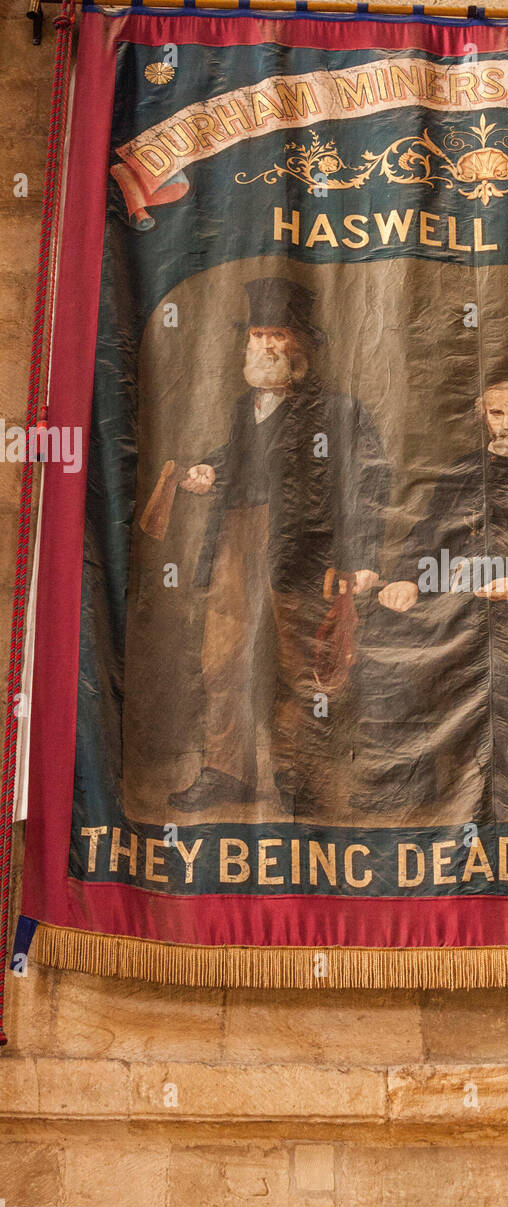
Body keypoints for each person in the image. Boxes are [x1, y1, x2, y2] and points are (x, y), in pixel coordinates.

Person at [169, 275, 389, 813]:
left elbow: (369, 483)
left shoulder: (339, 411)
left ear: (302, 346)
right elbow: (239, 458)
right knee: (222, 663)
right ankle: (226, 770)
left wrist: (359, 558)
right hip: (236, 541)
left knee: (303, 663)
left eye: (278, 336)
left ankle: (300, 773)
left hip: (304, 547)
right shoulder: (246, 408)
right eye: (258, 335)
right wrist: (208, 469)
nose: (266, 346)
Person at [353, 381, 508, 821]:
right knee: (388, 633)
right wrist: (408, 579)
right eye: (496, 414)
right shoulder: (462, 471)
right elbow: (428, 535)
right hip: (457, 593)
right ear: (482, 417)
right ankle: (414, 779)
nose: (506, 424)